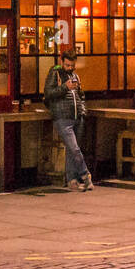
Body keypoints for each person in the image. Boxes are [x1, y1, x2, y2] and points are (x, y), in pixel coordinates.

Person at [44, 49, 91, 192]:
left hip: (77, 116)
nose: (70, 68)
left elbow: (80, 95)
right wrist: (65, 87)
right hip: (63, 116)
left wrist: (83, 110)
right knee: (74, 148)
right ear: (61, 62)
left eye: (72, 65)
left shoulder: (75, 75)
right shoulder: (55, 72)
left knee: (72, 150)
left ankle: (72, 180)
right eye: (67, 65)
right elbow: (48, 93)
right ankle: (85, 175)